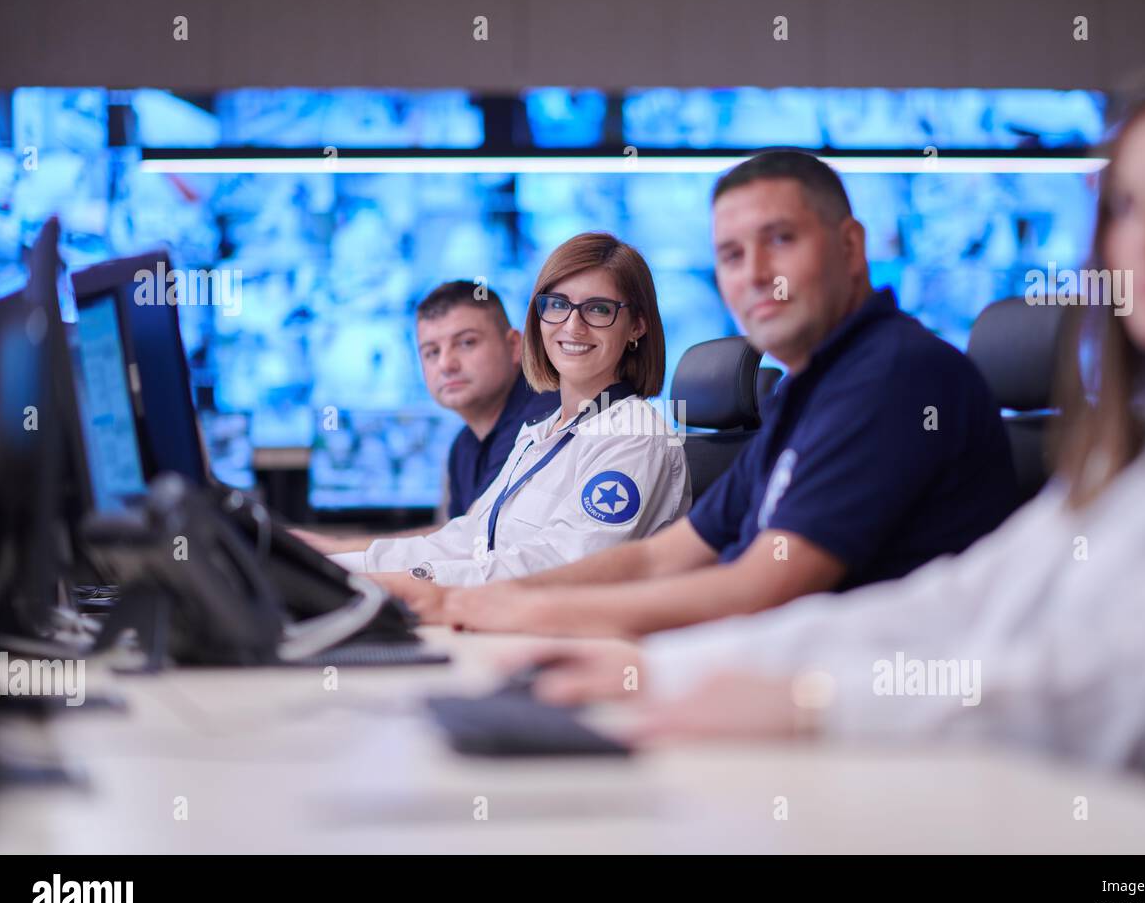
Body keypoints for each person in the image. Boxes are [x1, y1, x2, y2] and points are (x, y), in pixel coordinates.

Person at [509, 63, 1145, 784]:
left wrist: (814, 702)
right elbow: (962, 601)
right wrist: (676, 672)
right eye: (1123, 207)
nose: (1141, 244)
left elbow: (1143, 688)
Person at [433, 150, 1018, 635]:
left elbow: (763, 588)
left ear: (850, 246)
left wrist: (528, 610)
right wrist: (491, 600)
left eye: (781, 239)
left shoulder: (897, 376)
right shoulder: (802, 395)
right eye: (732, 255)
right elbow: (659, 558)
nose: (756, 273)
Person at [332, 231, 691, 594]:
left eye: (598, 309)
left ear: (637, 326)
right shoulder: (540, 432)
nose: (572, 326)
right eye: (557, 305)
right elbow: (469, 538)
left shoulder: (634, 435)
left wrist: (405, 582)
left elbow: (564, 569)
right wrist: (341, 567)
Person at [296, 280, 557, 554]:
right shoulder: (463, 446)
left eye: (467, 343)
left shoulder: (544, 421)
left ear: (515, 346)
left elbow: (471, 543)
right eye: (432, 352)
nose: (446, 364)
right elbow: (454, 544)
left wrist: (336, 550)